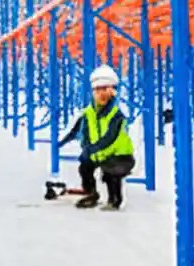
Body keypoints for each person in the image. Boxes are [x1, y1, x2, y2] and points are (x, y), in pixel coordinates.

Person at [56, 65, 136, 210]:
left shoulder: (116, 115)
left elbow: (109, 138)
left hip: (120, 156)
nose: (101, 94)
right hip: (99, 154)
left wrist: (92, 148)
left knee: (111, 173)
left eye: (105, 90)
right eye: (97, 90)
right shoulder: (88, 113)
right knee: (85, 167)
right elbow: (78, 131)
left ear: (112, 92)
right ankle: (91, 193)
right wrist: (63, 143)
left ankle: (115, 200)